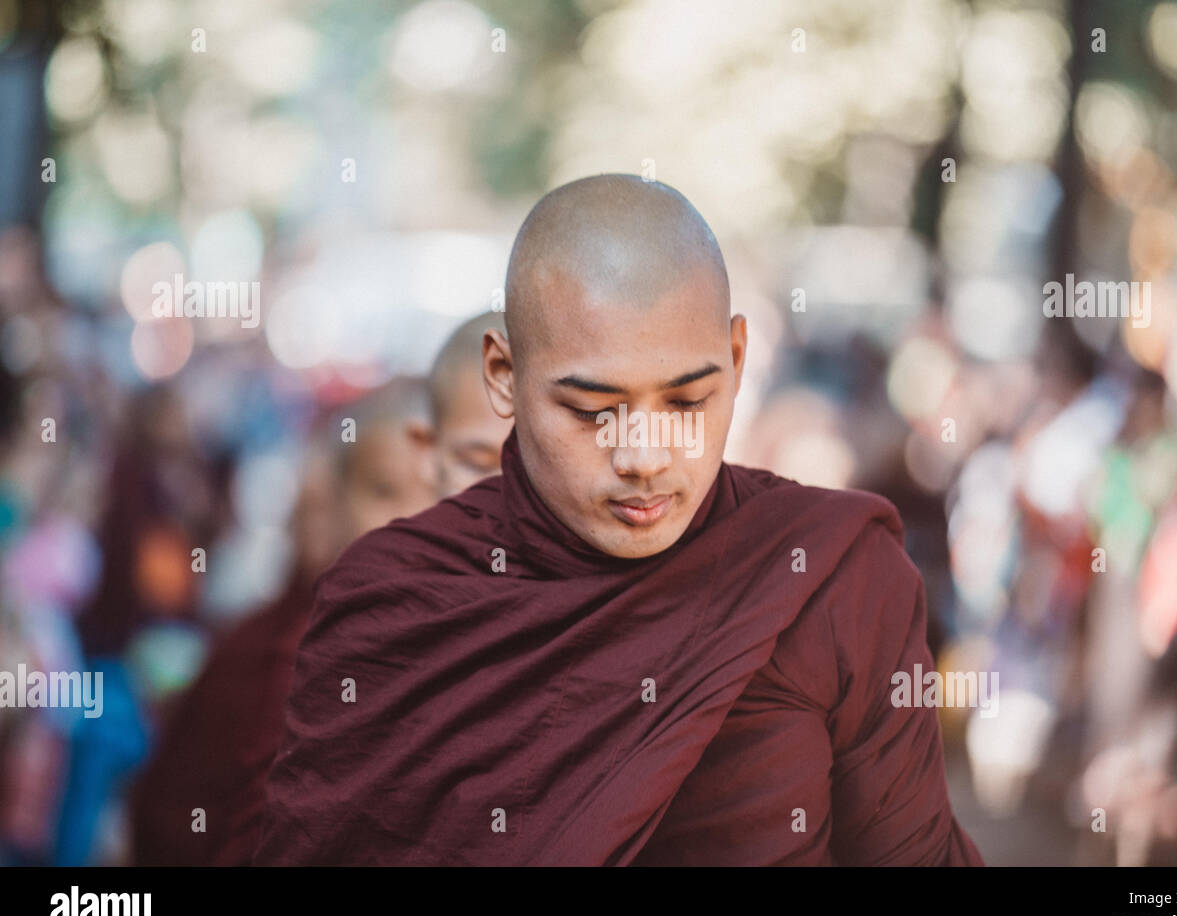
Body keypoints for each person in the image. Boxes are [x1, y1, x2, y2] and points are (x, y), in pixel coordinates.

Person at [254, 173, 984, 866]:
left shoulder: (831, 576)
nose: (642, 457)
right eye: (592, 411)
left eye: (687, 402)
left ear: (734, 359)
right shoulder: (394, 601)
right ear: (504, 378)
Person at [128, 317, 510, 865]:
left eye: (438, 492)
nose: (410, 519)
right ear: (328, 502)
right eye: (383, 490)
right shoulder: (287, 656)